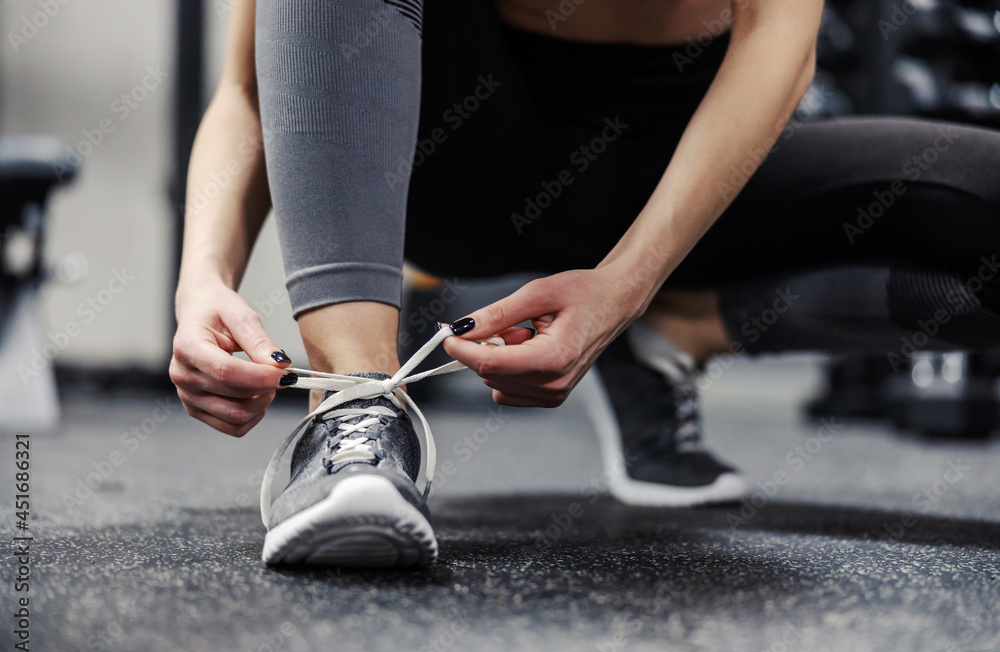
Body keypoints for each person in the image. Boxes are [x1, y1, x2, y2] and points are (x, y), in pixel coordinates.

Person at [170, 0, 1000, 568]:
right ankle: (355, 413)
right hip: (453, 169)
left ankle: (684, 327)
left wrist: (626, 290)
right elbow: (247, 89)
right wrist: (202, 279)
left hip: (676, 189)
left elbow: (780, 46)